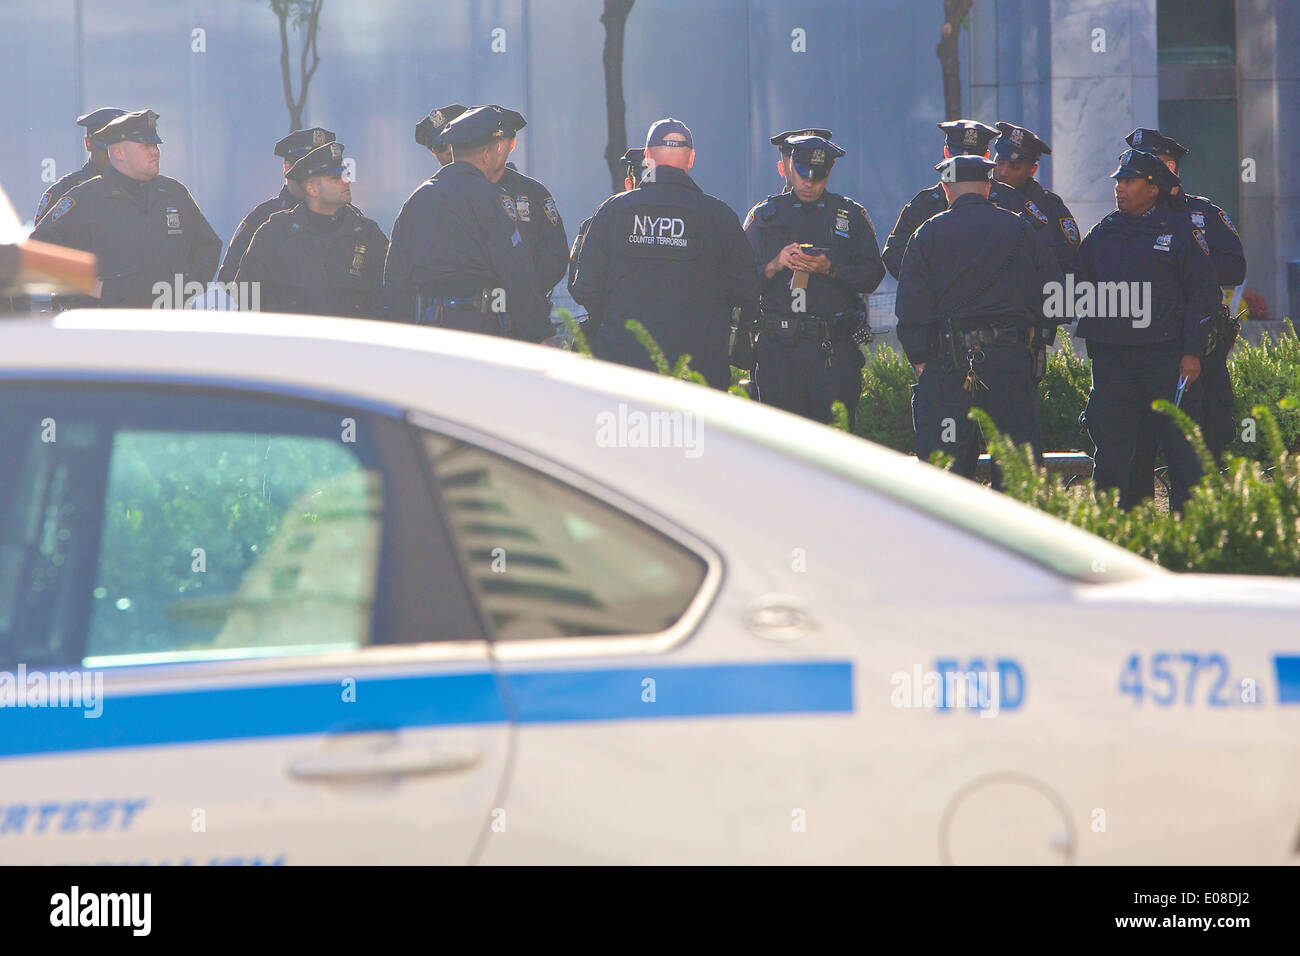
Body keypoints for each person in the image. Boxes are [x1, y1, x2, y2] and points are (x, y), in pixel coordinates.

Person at [895, 154, 1063, 482]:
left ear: (946, 189)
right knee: (1017, 473)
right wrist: (1035, 343)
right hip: (1010, 364)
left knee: (945, 473)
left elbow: (911, 307)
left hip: (947, 367)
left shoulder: (927, 233)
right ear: (989, 187)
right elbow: (1053, 293)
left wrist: (921, 360)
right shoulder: (1021, 229)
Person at [1074, 148, 1223, 511]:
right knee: (1114, 453)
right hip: (1113, 362)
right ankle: (1117, 533)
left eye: (1129, 181)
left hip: (1166, 359)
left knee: (1181, 452)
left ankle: (1189, 540)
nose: (1120, 188)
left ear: (1153, 188)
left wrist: (1191, 352)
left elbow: (1203, 295)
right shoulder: (1104, 232)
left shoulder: (1180, 232)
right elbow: (1077, 286)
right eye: (1118, 182)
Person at [571, 118, 758, 389]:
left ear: (647, 157)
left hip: (623, 369)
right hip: (696, 373)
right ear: (691, 158)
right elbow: (747, 291)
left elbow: (584, 289)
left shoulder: (613, 211)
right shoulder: (719, 217)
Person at [1124, 127, 1246, 500]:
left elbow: (1234, 267)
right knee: (1135, 443)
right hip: (1142, 346)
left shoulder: (1203, 213)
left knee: (1205, 439)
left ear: (1170, 168)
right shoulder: (1126, 217)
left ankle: (1200, 528)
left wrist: (1185, 266)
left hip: (1199, 346)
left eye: (1148, 165)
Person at [742, 134, 885, 427]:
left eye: (817, 178)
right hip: (779, 350)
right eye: (804, 174)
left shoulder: (850, 216)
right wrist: (774, 265)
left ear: (829, 173)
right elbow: (739, 281)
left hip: (832, 350)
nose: (809, 183)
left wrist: (830, 269)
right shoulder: (764, 216)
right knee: (781, 444)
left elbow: (872, 276)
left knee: (834, 443)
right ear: (790, 167)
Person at [382, 104, 551, 340]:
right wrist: (537, 333)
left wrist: (403, 335)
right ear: (485, 154)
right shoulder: (494, 199)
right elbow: (516, 273)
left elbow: (394, 277)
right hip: (480, 329)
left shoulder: (416, 199)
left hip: (426, 332)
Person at [31, 109, 221, 309]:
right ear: (118, 152)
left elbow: (207, 248)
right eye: (146, 145)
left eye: (156, 144)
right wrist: (89, 287)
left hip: (166, 325)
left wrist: (181, 291)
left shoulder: (173, 194)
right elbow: (38, 252)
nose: (155, 151)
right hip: (107, 328)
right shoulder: (87, 199)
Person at [233, 142, 387, 318]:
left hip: (348, 344)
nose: (346, 181)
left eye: (346, 174)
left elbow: (389, 302)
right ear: (312, 189)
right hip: (289, 344)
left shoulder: (368, 236)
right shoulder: (273, 234)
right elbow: (244, 300)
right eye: (335, 177)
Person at [881, 119, 998, 280]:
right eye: (957, 158)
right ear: (946, 153)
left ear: (986, 157)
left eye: (972, 159)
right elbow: (894, 254)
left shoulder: (1007, 201)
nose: (962, 166)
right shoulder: (923, 204)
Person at [216, 127, 336, 283]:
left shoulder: (349, 219)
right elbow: (229, 279)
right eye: (305, 165)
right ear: (287, 167)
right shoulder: (262, 219)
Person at [566, 146, 644, 339]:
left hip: (612, 334)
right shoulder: (686, 225)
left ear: (628, 184)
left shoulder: (599, 224)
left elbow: (581, 289)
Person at [991, 122, 1081, 272]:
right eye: (1000, 162)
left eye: (1015, 167)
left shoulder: (1051, 207)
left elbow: (1066, 258)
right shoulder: (977, 197)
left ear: (1032, 170)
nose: (1003, 172)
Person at [33, 107, 127, 223]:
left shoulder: (146, 189)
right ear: (88, 144)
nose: (116, 156)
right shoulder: (64, 191)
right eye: (108, 150)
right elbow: (40, 239)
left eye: (122, 150)